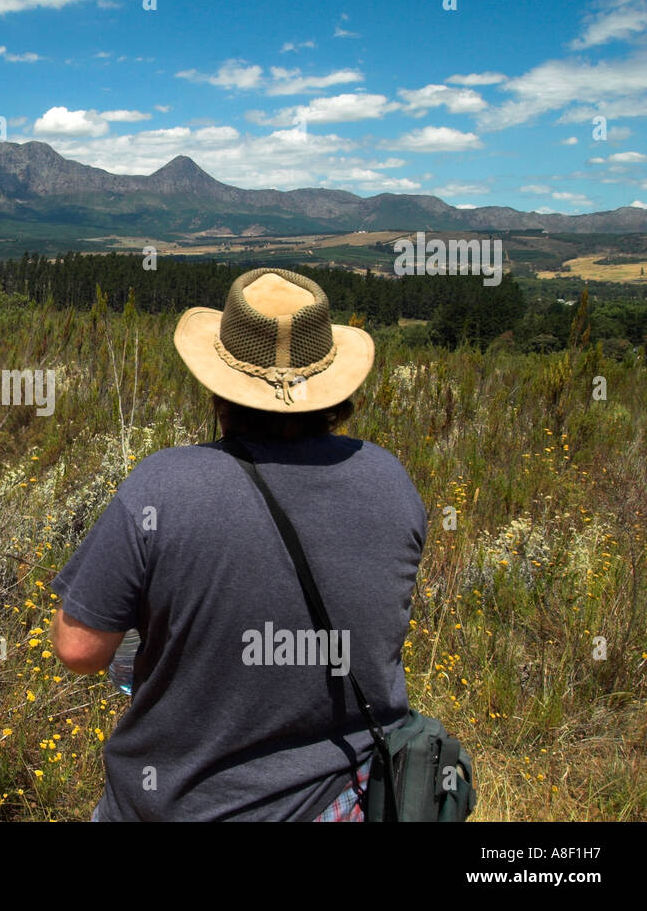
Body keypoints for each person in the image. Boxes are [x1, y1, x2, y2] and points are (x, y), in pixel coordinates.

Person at [49, 267, 427, 821]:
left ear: (217, 386)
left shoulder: (163, 486)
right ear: (331, 389)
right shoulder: (390, 480)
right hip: (346, 802)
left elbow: (80, 650)